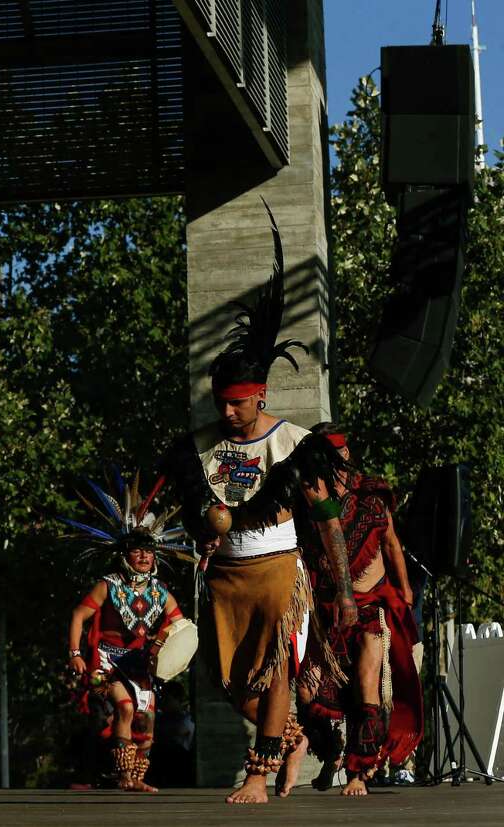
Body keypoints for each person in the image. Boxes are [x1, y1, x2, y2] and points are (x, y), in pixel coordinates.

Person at [159, 206, 354, 804]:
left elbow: (325, 518)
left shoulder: (294, 443)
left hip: (277, 569)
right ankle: (291, 737)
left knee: (274, 672)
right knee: (226, 681)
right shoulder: (201, 446)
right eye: (221, 402)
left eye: (238, 404)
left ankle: (257, 775)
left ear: (260, 395)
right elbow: (187, 506)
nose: (227, 413)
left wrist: (342, 588)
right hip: (224, 576)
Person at [297, 424, 423, 796]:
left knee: (367, 684)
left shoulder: (371, 497)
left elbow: (392, 544)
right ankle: (329, 750)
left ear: (346, 455)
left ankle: (358, 773)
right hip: (326, 611)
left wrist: (404, 591)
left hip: (371, 607)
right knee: (307, 693)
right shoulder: (306, 498)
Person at [62, 473, 193, 793]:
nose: (145, 556)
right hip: (106, 660)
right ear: (125, 554)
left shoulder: (161, 592)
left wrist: (169, 649)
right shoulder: (108, 585)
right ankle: (121, 776)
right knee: (124, 708)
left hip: (140, 663)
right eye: (138, 550)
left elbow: (180, 625)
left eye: (149, 551)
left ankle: (135, 777)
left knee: (146, 723)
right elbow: (79, 615)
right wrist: (75, 653)